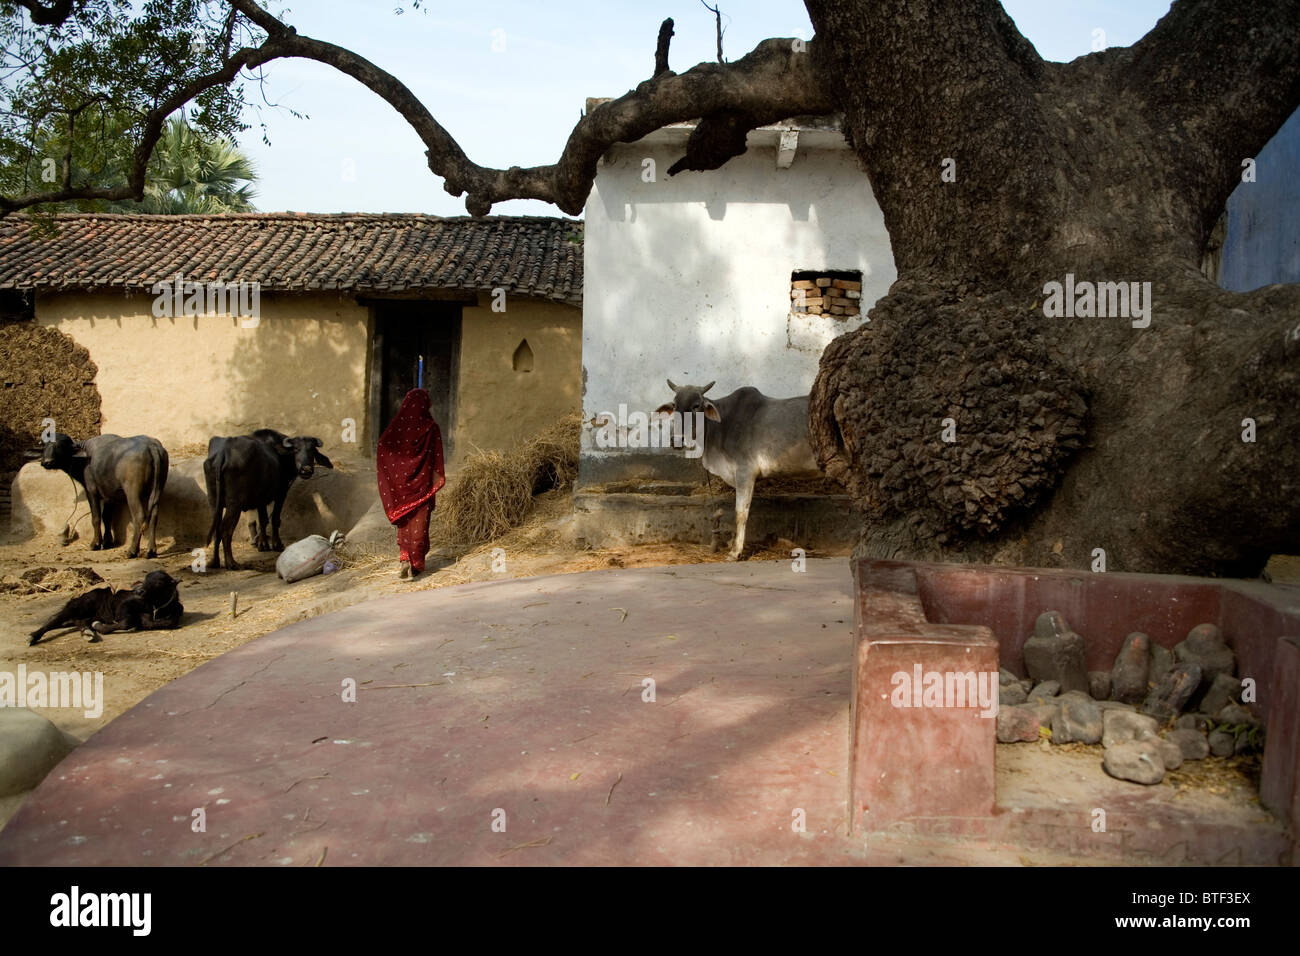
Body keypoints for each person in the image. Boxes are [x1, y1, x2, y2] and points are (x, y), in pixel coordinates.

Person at [376, 388, 445, 578]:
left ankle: (404, 557)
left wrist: (395, 474)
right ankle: (416, 563)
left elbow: (382, 445)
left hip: (401, 488)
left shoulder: (395, 429)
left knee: (405, 522)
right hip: (422, 485)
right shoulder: (431, 428)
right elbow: (436, 458)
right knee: (419, 523)